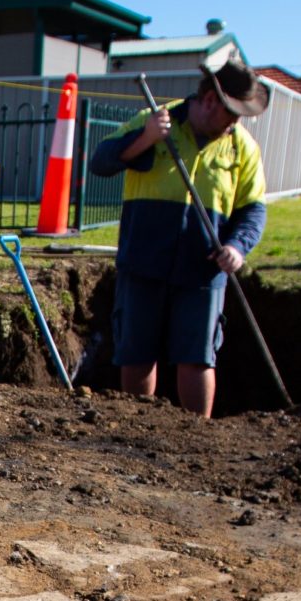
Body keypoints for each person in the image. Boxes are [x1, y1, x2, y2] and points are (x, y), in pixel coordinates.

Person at [88, 47, 269, 417]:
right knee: (137, 353)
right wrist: (146, 139)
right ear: (208, 100)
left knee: (198, 358)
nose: (234, 123)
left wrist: (238, 246)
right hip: (143, 261)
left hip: (203, 270)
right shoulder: (154, 121)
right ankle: (136, 426)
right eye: (231, 114)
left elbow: (253, 208)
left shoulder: (242, 147)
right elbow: (101, 161)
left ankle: (197, 437)